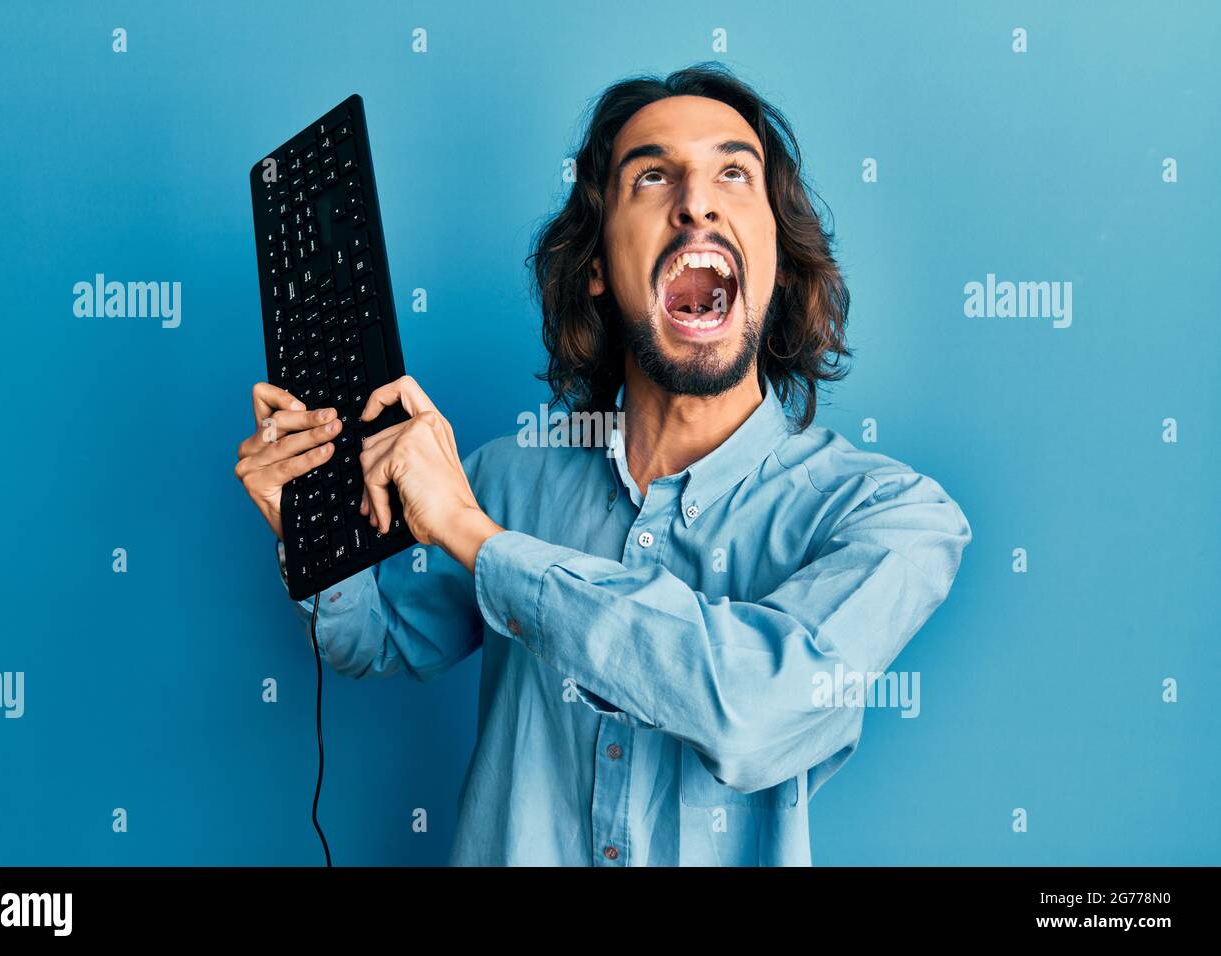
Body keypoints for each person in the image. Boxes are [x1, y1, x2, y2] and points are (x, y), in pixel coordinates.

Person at [234, 63, 972, 866]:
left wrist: (482, 542)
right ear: (594, 268)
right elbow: (378, 641)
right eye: (652, 177)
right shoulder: (505, 479)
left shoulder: (891, 516)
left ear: (780, 260)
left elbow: (756, 706)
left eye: (734, 172)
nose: (696, 201)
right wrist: (313, 521)